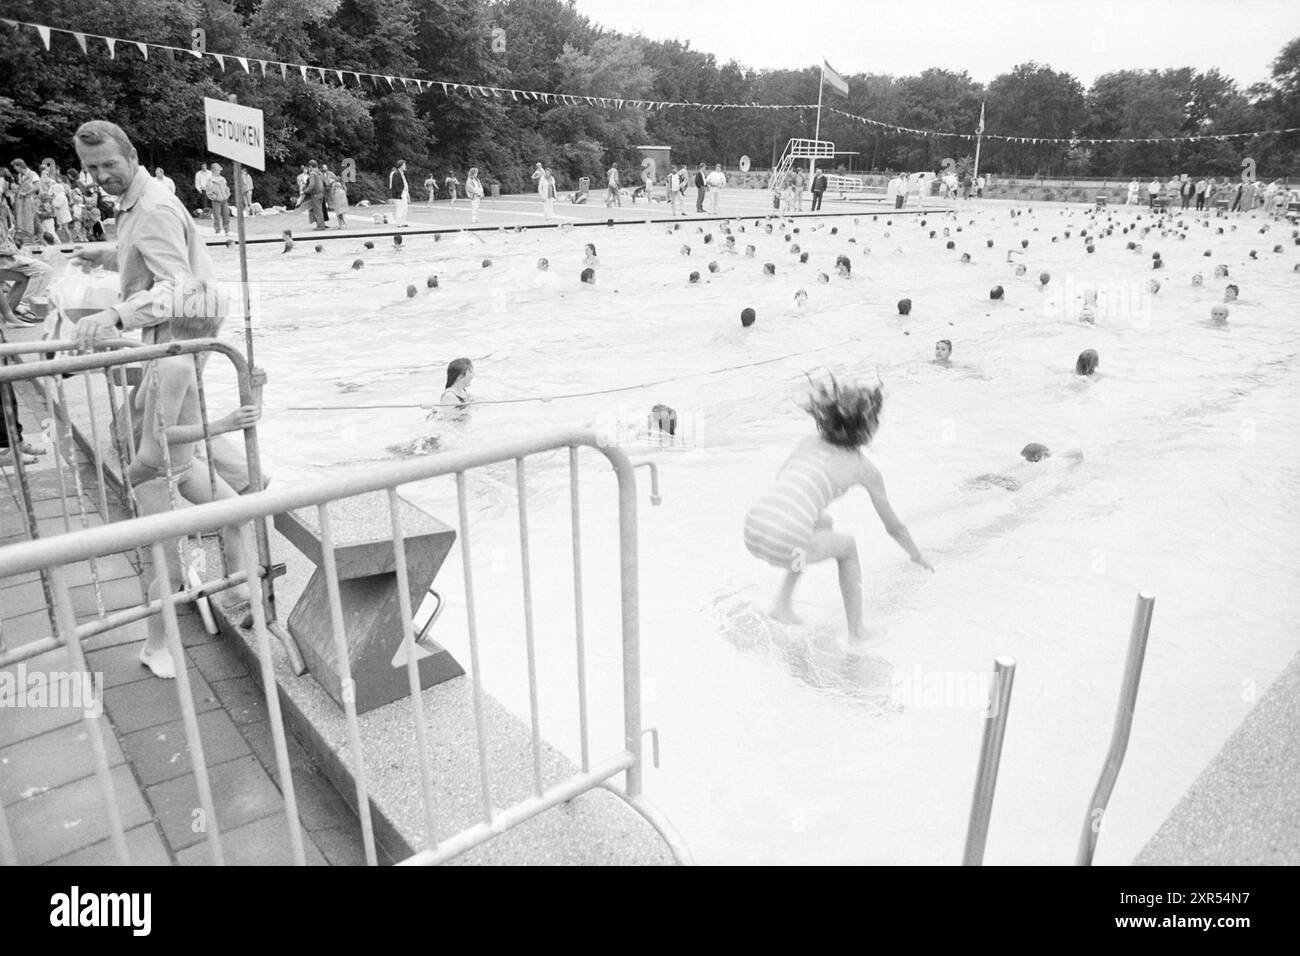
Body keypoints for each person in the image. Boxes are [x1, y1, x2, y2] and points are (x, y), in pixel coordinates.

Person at [743, 376, 933, 646]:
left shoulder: (808, 443)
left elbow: (784, 483)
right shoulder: (863, 468)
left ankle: (782, 604)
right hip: (786, 541)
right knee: (848, 548)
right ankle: (857, 632)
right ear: (868, 428)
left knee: (823, 522)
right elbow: (893, 526)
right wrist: (917, 555)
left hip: (754, 525)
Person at [130, 306, 259, 678]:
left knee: (237, 511)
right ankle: (153, 648)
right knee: (170, 571)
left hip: (184, 468)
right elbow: (161, 435)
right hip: (156, 474)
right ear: (212, 330)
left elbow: (140, 403)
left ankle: (234, 586)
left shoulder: (170, 353)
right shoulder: (180, 366)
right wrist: (222, 424)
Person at [66, 120, 220, 352]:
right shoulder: (136, 201)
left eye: (110, 164)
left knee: (168, 387)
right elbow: (151, 258)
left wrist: (113, 315)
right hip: (178, 324)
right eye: (92, 168)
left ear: (133, 157)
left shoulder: (152, 208)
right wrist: (106, 257)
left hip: (181, 330)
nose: (102, 176)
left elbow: (180, 289)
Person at [204, 162, 232, 237]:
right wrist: (214, 197)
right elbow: (208, 191)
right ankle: (218, 230)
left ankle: (227, 230)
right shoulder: (210, 180)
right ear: (213, 170)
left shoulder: (223, 179)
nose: (219, 171)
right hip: (216, 201)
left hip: (224, 200)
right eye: (218, 170)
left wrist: (227, 195)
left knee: (226, 215)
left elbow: (227, 188)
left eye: (219, 170)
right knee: (217, 216)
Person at [303, 160, 326, 230]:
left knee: (317, 210)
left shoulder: (312, 173)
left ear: (310, 166)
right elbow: (324, 182)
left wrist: (305, 191)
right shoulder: (319, 172)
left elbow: (312, 184)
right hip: (321, 193)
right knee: (320, 209)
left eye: (309, 167)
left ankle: (321, 226)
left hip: (315, 194)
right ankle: (321, 225)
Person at [389, 159, 410, 227]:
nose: (405, 166)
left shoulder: (403, 174)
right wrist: (399, 193)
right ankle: (399, 223)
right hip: (400, 194)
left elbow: (405, 184)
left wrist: (407, 194)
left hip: (405, 192)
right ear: (400, 166)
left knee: (405, 208)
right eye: (404, 165)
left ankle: (403, 222)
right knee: (400, 208)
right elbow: (395, 185)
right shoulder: (396, 173)